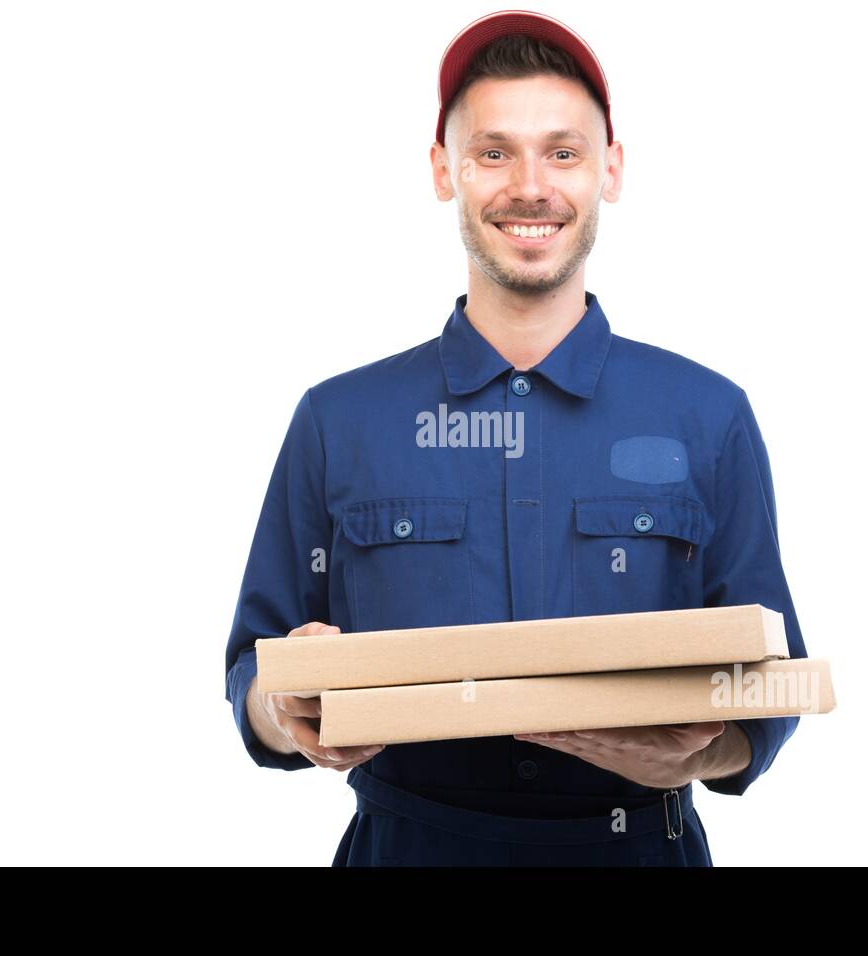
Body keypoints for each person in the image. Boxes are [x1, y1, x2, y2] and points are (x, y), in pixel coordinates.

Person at [223, 9, 809, 866]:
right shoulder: (337, 420)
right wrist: (285, 710)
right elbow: (251, 666)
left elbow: (773, 682)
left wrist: (700, 753)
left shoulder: (708, 415)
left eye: (562, 152)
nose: (529, 186)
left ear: (610, 169)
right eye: (494, 152)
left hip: (637, 847)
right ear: (443, 171)